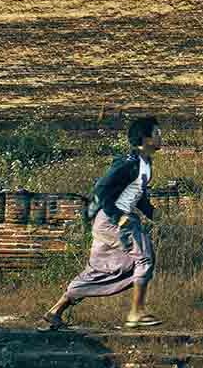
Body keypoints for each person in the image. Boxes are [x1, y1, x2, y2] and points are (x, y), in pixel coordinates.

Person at [43, 116, 163, 329]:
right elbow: (101, 189)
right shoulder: (128, 162)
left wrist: (153, 213)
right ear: (144, 139)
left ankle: (55, 311)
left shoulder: (144, 163)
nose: (160, 136)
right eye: (156, 133)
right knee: (144, 258)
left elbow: (137, 195)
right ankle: (136, 313)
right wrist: (118, 217)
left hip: (109, 221)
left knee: (101, 269)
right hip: (114, 220)